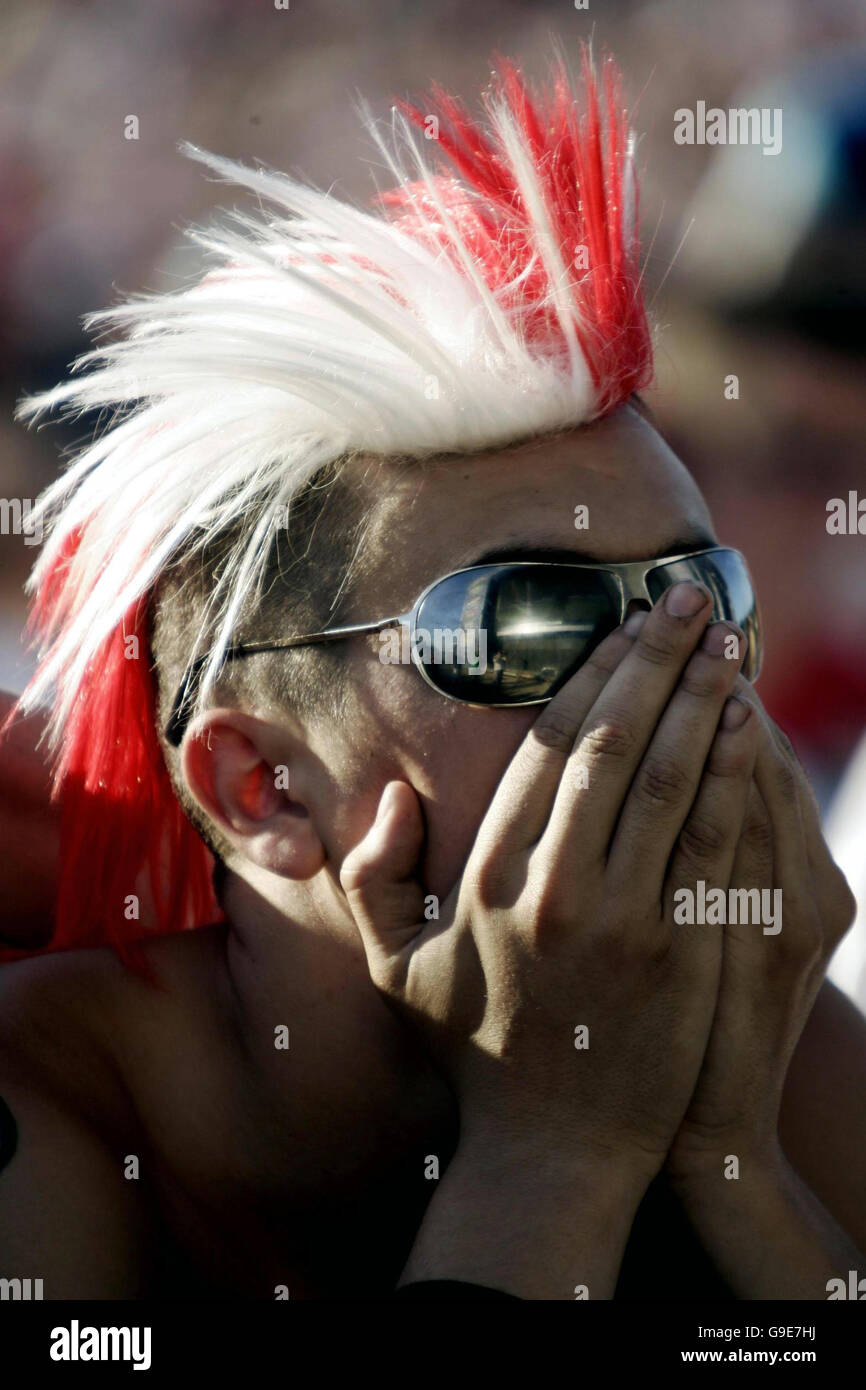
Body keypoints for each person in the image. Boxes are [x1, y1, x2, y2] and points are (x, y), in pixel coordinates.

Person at [0, 49, 863, 1301]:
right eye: (526, 628)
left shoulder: (742, 1004)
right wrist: (558, 1152)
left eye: (698, 599)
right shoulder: (47, 1098)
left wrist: (730, 1161)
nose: (678, 680)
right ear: (261, 787)